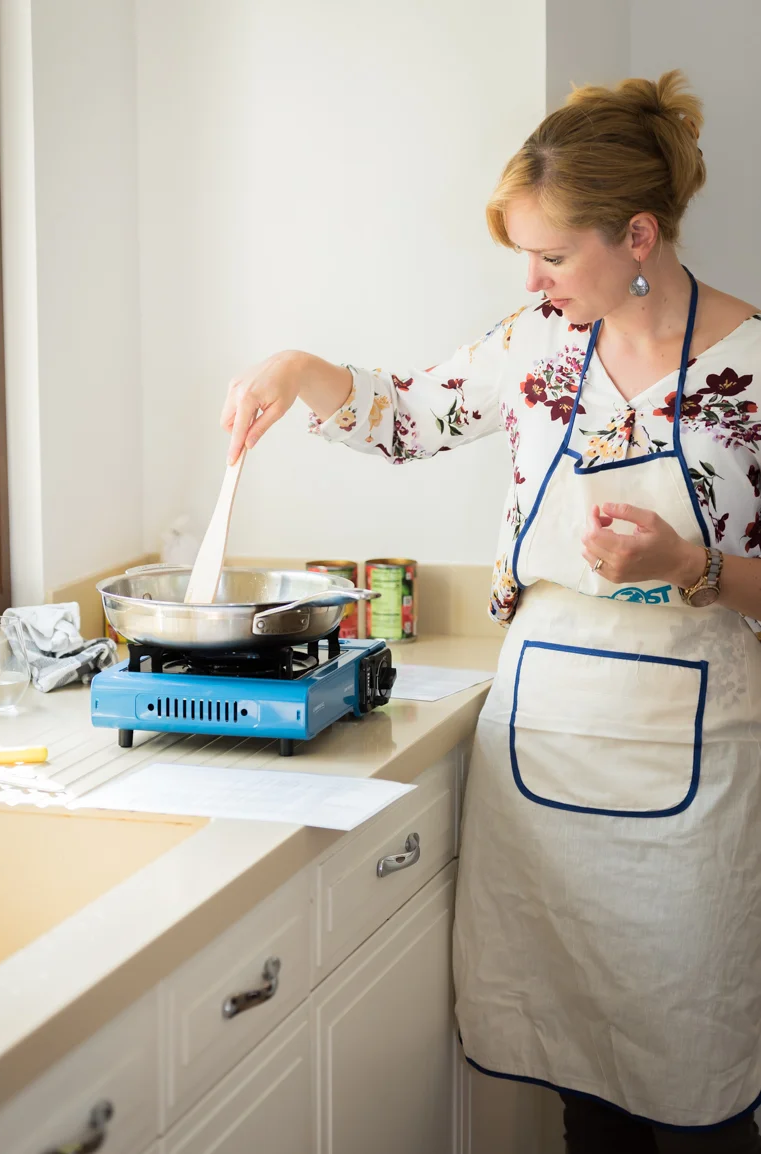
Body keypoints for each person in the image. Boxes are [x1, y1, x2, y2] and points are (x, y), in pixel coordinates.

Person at [221, 69, 761, 1153]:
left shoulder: (749, 371)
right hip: (544, 739)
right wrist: (293, 367)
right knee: (582, 1085)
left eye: (551, 256)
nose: (531, 278)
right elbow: (406, 417)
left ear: (638, 235)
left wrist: (686, 563)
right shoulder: (534, 346)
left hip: (696, 757)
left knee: (694, 1077)